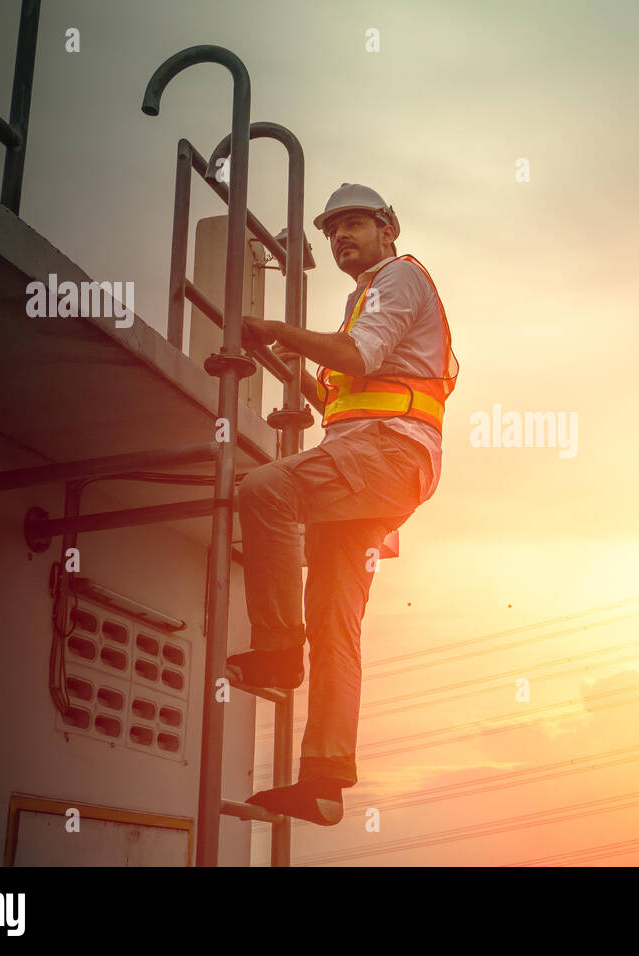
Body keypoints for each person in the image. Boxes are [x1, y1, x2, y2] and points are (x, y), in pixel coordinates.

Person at [227, 183, 458, 825]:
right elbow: (340, 389)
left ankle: (276, 648)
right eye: (332, 231)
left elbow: (356, 356)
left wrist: (278, 329)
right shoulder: (366, 303)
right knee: (334, 621)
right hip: (372, 467)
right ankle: (324, 782)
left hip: (386, 455)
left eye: (355, 224)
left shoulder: (398, 280)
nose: (341, 238)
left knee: (266, 489)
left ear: (390, 229)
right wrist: (279, 355)